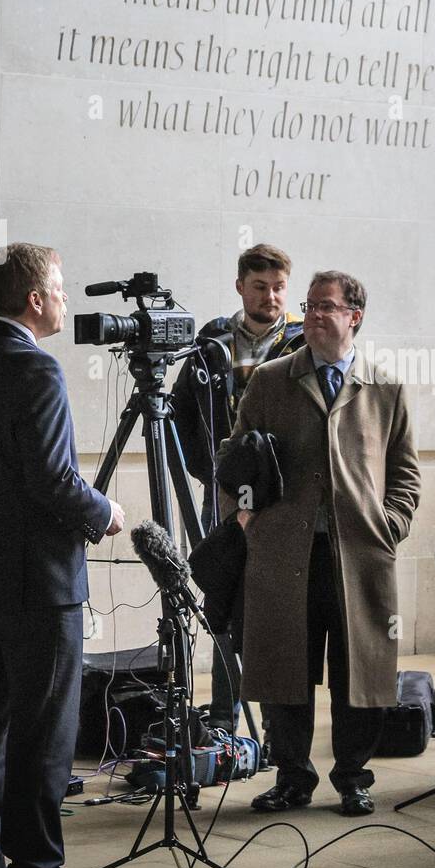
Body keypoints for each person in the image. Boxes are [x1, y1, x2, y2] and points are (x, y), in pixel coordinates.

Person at [0, 243, 125, 868]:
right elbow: (51, 479)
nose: (64, 297)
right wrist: (104, 513)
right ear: (35, 301)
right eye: (58, 286)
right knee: (45, 735)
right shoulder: (36, 368)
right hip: (37, 581)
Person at [223, 270, 420, 817]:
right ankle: (291, 776)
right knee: (284, 665)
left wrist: (390, 525)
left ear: (354, 316)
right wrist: (248, 521)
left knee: (360, 669)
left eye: (324, 306)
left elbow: (405, 473)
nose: (310, 314)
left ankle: (353, 777)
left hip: (360, 553)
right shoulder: (269, 380)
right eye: (308, 306)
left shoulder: (385, 387)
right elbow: (234, 460)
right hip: (285, 553)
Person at [171, 242, 304, 733]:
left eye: (278, 288)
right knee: (223, 595)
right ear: (240, 287)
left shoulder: (300, 341)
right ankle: (225, 716)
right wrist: (206, 470)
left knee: (273, 608)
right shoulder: (211, 342)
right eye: (260, 287)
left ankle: (275, 728)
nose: (270, 297)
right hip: (224, 491)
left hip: (281, 495)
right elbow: (181, 409)